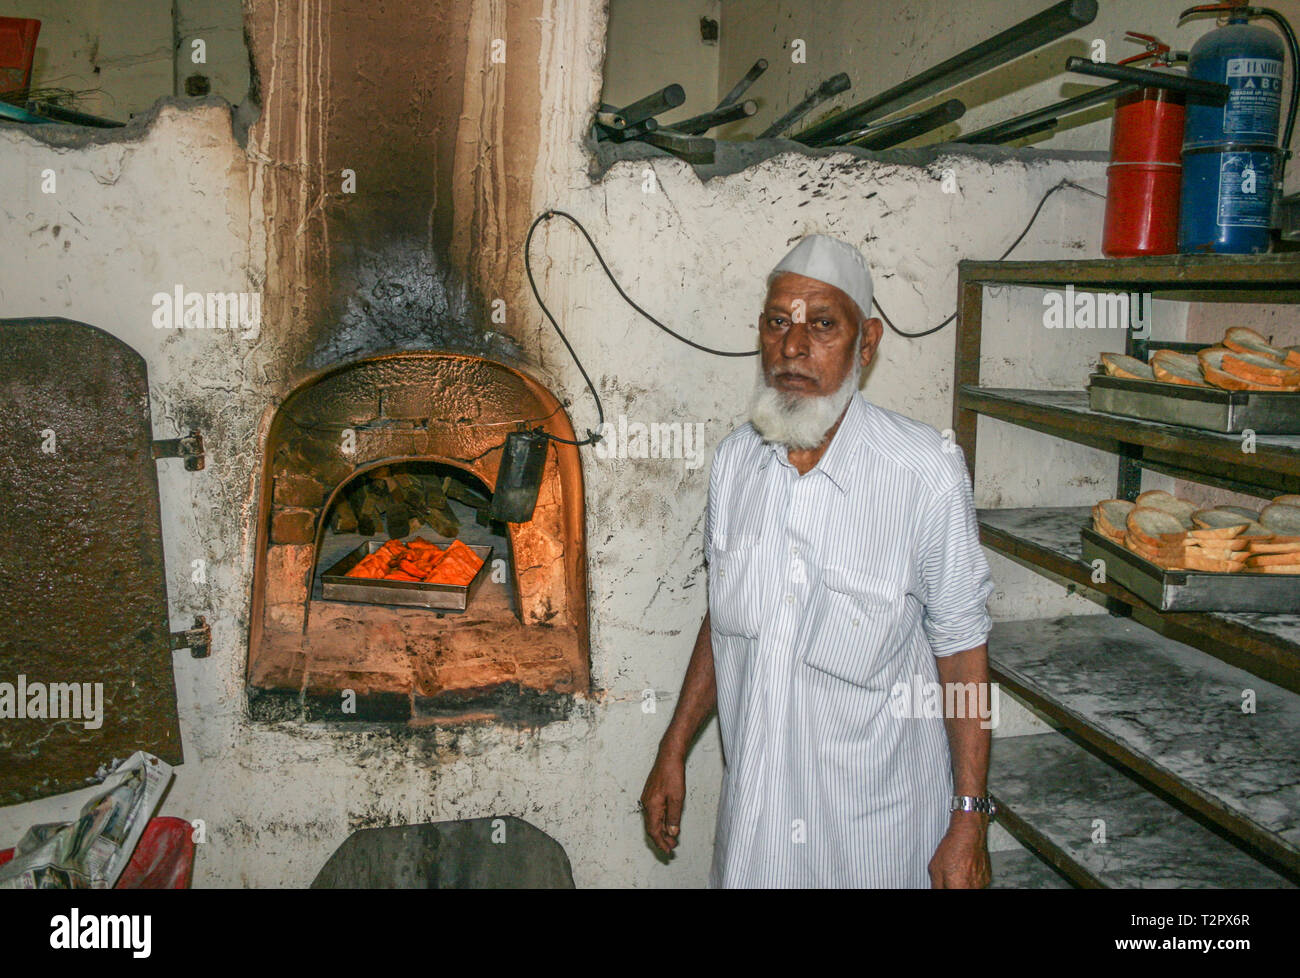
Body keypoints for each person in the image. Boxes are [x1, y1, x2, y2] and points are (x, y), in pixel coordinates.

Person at [640, 234, 996, 888]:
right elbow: (726, 621)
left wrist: (969, 817)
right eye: (779, 322)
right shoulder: (735, 464)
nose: (794, 346)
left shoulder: (924, 472)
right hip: (759, 830)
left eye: (822, 325)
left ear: (867, 344)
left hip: (877, 837)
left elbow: (963, 649)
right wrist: (673, 748)